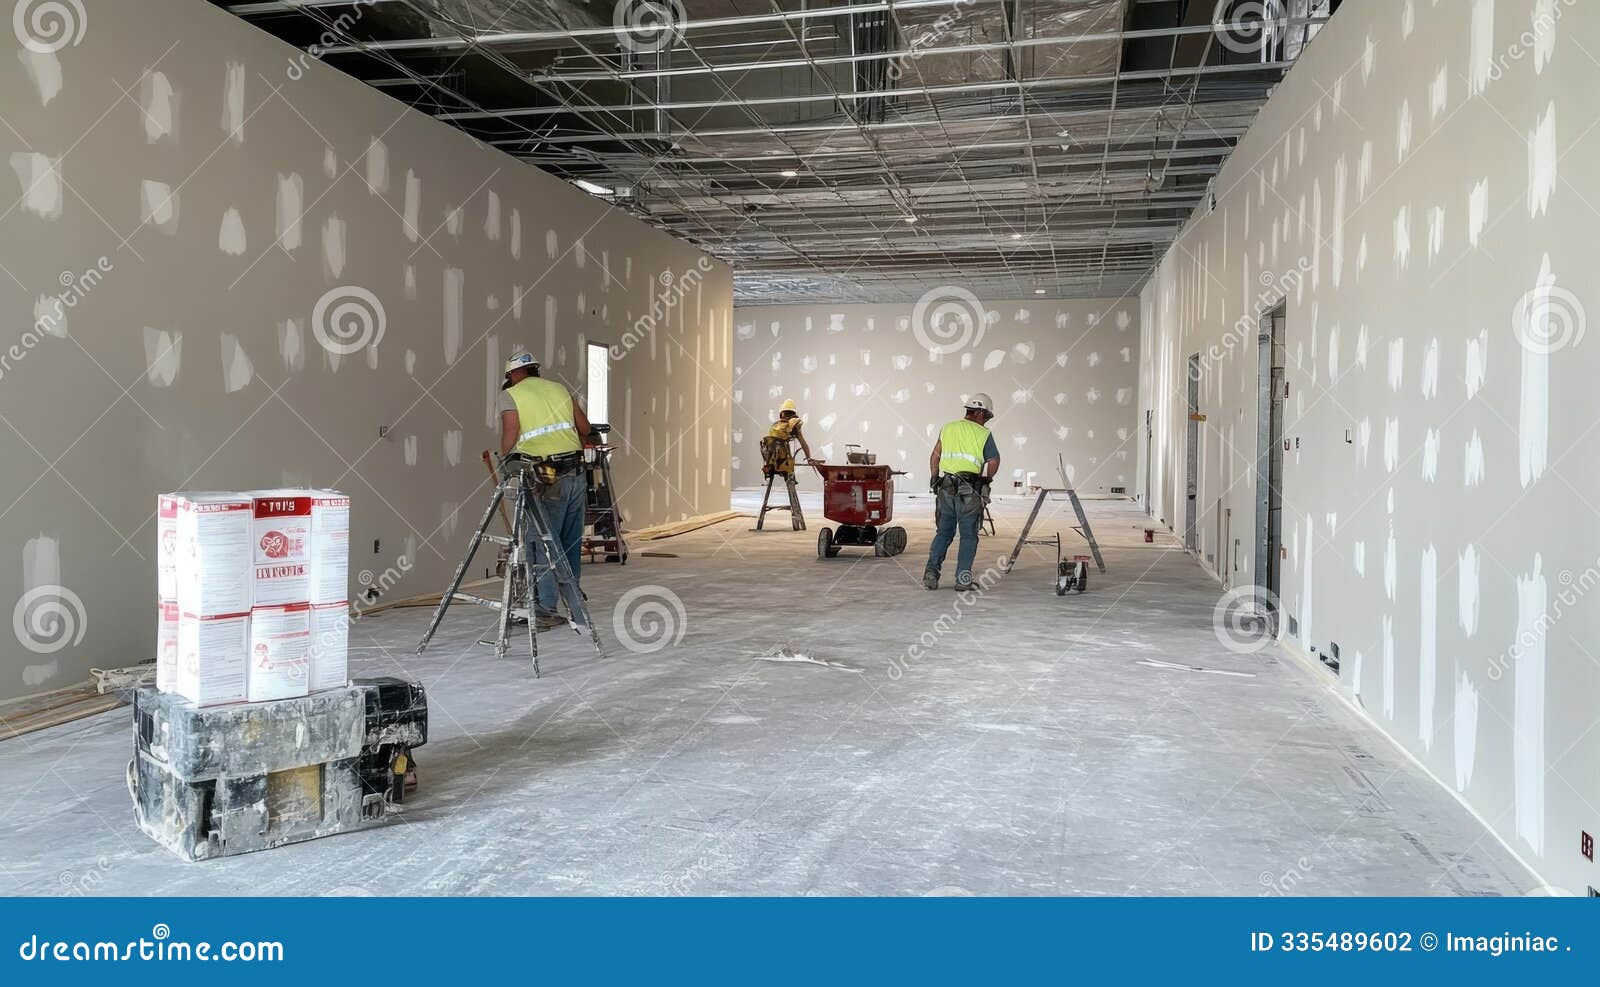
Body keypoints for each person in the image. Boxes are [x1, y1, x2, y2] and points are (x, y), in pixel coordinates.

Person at [496, 352, 592, 629]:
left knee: (541, 540)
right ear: (534, 370)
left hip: (545, 473)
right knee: (569, 540)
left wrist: (505, 461)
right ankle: (574, 604)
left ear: (512, 375)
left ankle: (546, 606)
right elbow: (584, 427)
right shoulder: (560, 388)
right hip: (575, 469)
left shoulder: (511, 394)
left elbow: (511, 433)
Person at [923, 393, 1000, 591]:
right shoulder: (983, 434)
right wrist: (987, 479)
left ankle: (931, 574)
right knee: (968, 536)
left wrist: (934, 477)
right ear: (981, 413)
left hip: (946, 487)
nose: (986, 421)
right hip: (970, 490)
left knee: (943, 533)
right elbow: (994, 460)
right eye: (986, 417)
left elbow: (935, 455)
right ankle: (963, 580)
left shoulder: (948, 428)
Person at [760, 398, 821, 477]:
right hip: (783, 462)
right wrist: (808, 458)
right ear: (794, 414)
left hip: (770, 462)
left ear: (782, 413)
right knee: (790, 476)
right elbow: (803, 443)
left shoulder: (775, 425)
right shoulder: (793, 424)